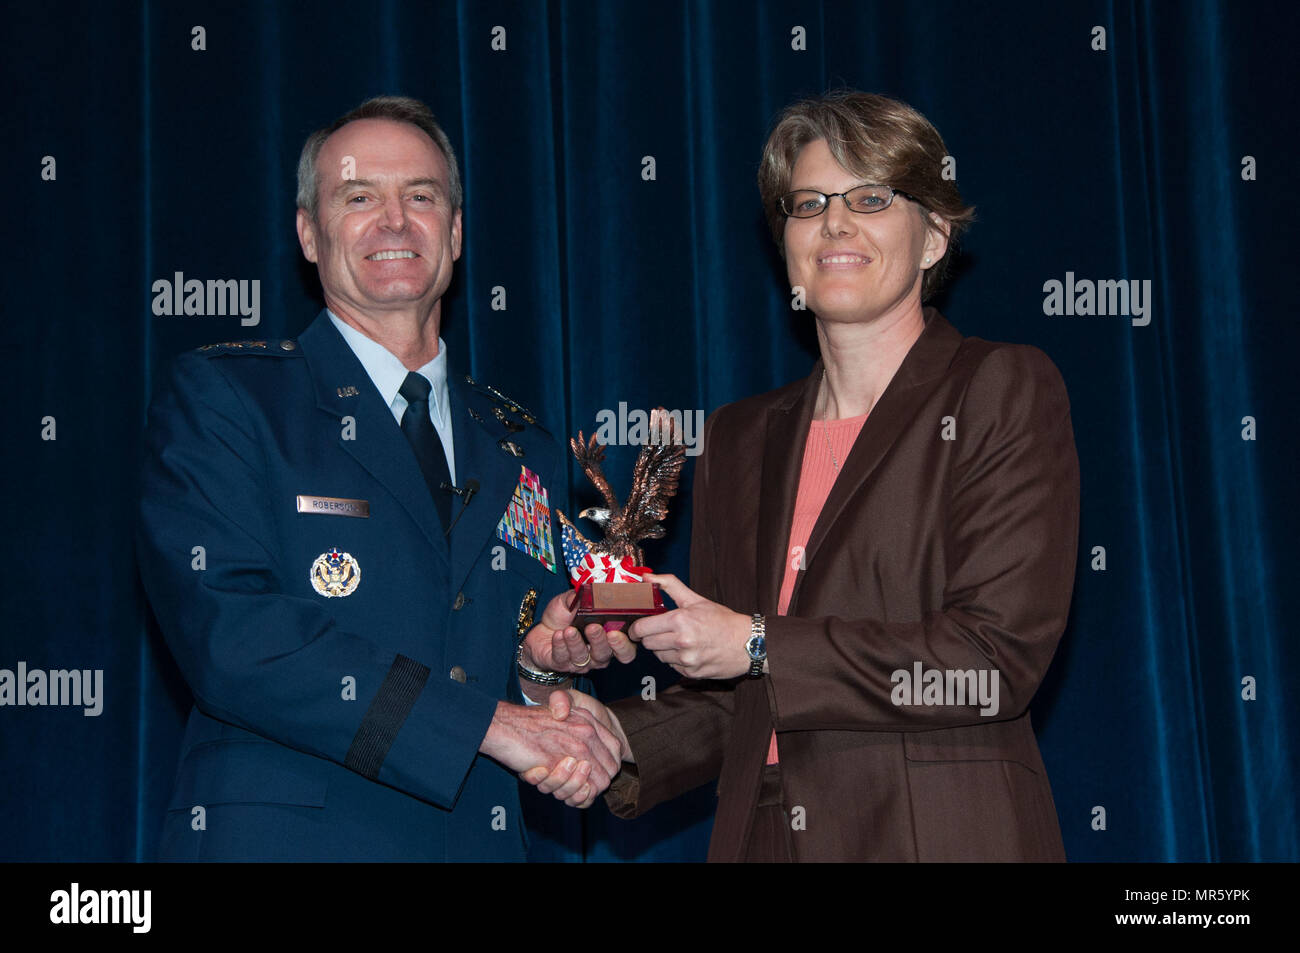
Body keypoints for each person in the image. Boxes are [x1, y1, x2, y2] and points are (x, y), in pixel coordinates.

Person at [529, 90, 1081, 861]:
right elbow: (739, 701)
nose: (835, 223)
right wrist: (612, 735)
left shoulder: (999, 386)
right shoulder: (738, 436)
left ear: (934, 237)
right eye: (809, 202)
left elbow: (989, 663)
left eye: (872, 197)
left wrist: (756, 643)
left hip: (936, 835)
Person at [136, 96, 631, 862]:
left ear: (456, 232)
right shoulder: (229, 399)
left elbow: (517, 648)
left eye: (422, 197)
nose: (394, 221)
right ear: (309, 232)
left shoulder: (518, 444)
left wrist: (541, 675)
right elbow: (233, 637)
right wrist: (492, 724)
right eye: (359, 196)